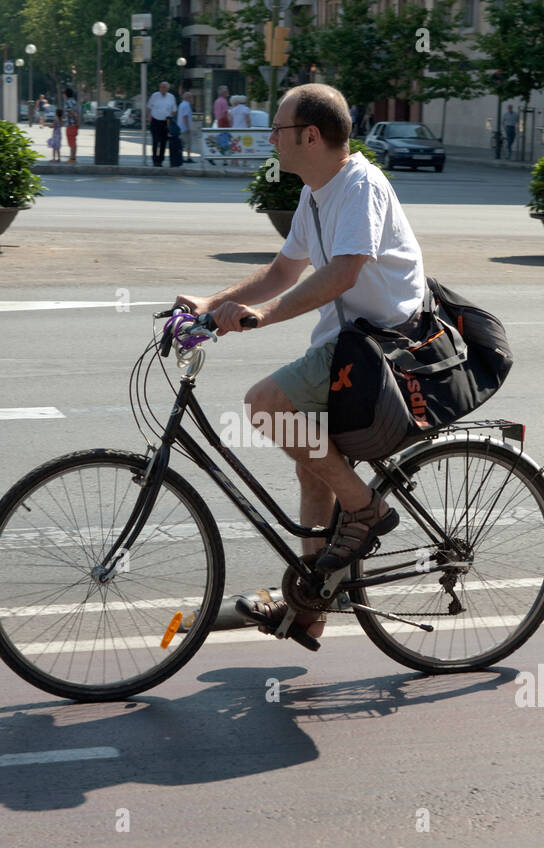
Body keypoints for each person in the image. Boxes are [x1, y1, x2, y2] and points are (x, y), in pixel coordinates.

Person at [171, 83, 422, 647]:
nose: (271, 140)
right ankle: (313, 605)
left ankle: (366, 511)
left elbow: (344, 273)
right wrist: (212, 303)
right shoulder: (316, 193)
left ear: (310, 135)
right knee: (312, 471)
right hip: (347, 342)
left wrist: (259, 316)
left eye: (278, 130)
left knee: (265, 404)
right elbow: (286, 269)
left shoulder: (359, 185)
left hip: (380, 346)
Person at [147, 81, 177, 167]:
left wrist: (170, 117)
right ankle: (154, 159)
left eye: (165, 87)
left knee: (163, 142)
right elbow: (149, 107)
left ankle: (160, 160)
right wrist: (148, 117)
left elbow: (174, 110)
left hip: (165, 122)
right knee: (155, 141)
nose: (163, 89)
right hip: (155, 121)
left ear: (168, 88)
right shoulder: (155, 96)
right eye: (161, 87)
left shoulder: (171, 97)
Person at [63, 87, 80, 162]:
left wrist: (76, 121)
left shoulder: (67, 102)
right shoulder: (74, 102)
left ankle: (72, 158)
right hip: (75, 124)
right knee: (74, 141)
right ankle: (73, 157)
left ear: (66, 94)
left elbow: (71, 112)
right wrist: (78, 122)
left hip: (70, 124)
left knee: (71, 141)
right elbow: (78, 112)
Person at [177, 90, 194, 162]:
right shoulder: (187, 105)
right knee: (188, 143)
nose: (192, 99)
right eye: (191, 97)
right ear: (188, 98)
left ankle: (180, 157)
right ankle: (188, 157)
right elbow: (185, 116)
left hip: (180, 127)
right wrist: (188, 127)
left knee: (181, 144)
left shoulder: (181, 104)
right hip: (185, 128)